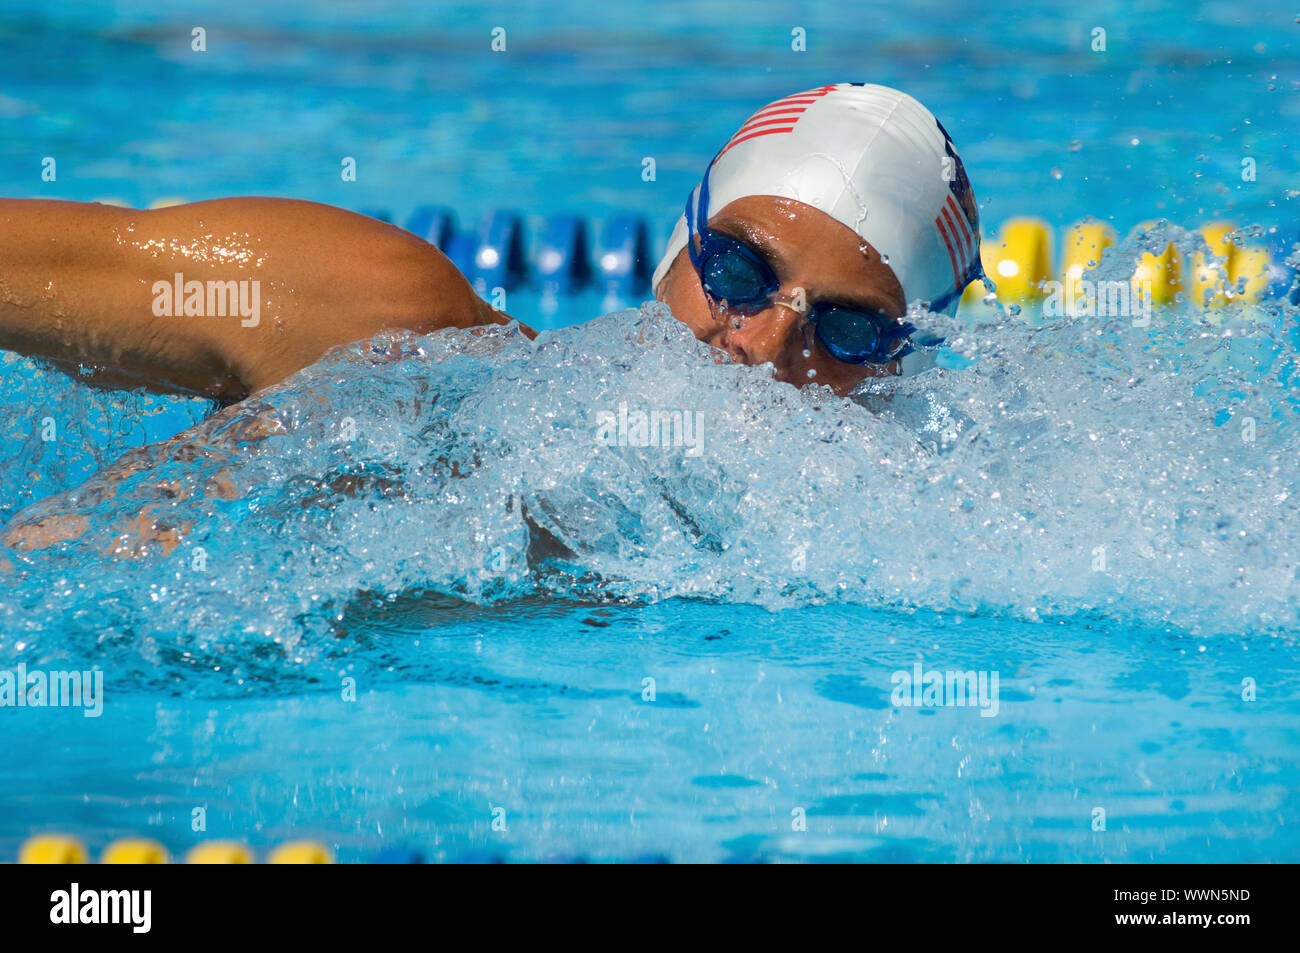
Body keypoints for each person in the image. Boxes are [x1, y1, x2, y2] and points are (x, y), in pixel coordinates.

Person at [0, 83, 979, 406]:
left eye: (849, 331)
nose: (761, 346)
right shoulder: (391, 324)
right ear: (677, 247)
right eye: (737, 269)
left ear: (903, 368)